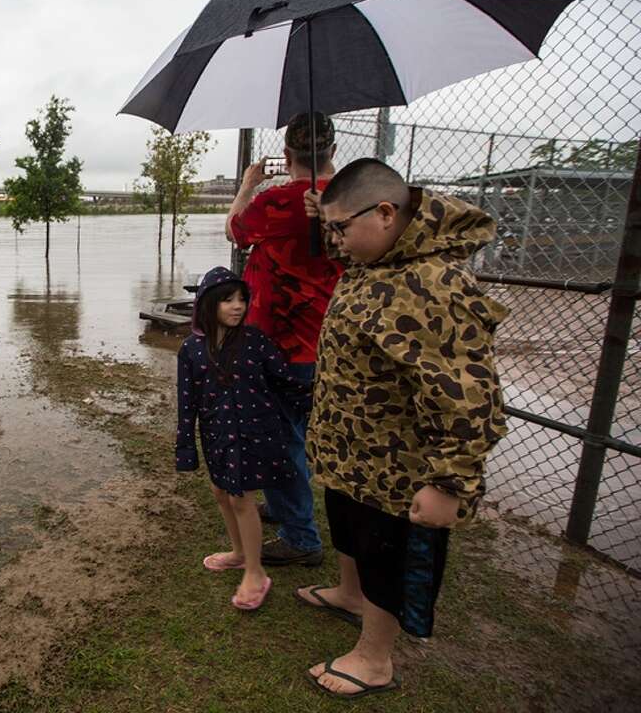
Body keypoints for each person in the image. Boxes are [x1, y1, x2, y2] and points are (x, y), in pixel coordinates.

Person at [298, 158, 508, 699]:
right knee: (349, 529)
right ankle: (349, 594)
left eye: (341, 228)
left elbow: (467, 396)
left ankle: (374, 659)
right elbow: (343, 254)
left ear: (386, 213)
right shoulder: (377, 258)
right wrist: (327, 217)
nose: (336, 241)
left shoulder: (434, 282)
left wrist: (448, 484)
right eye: (330, 229)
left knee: (385, 552)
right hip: (353, 454)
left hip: (397, 467)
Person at [225, 112, 344, 567]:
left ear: (287, 155)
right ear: (333, 152)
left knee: (279, 439)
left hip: (281, 345)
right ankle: (282, 507)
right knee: (294, 431)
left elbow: (236, 231)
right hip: (329, 340)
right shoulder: (352, 203)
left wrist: (247, 185)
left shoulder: (278, 201)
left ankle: (301, 537)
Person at [175, 266, 313, 611]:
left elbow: (286, 383)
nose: (237, 306)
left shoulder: (255, 342)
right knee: (220, 492)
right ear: (207, 304)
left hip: (254, 434)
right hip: (216, 435)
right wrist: (186, 449)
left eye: (241, 299)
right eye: (227, 300)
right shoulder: (191, 350)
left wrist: (320, 401)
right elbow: (186, 405)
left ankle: (255, 572)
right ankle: (239, 553)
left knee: (241, 499)